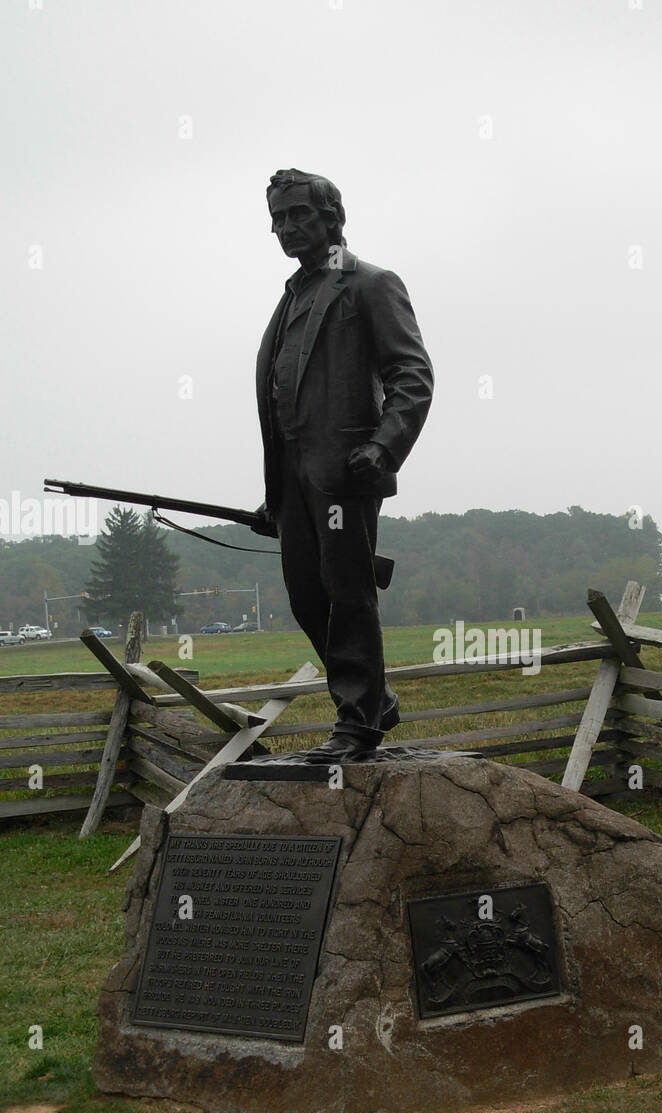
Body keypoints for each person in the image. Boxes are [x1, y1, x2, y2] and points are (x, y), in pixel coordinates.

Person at [253, 168, 433, 760]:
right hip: (295, 481)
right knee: (308, 597)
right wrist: (276, 489)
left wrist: (383, 446)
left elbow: (411, 375)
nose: (286, 227)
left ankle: (358, 722)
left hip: (347, 473)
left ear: (331, 219)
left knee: (348, 593)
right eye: (278, 217)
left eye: (298, 215)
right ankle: (374, 699)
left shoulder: (370, 285)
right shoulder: (291, 298)